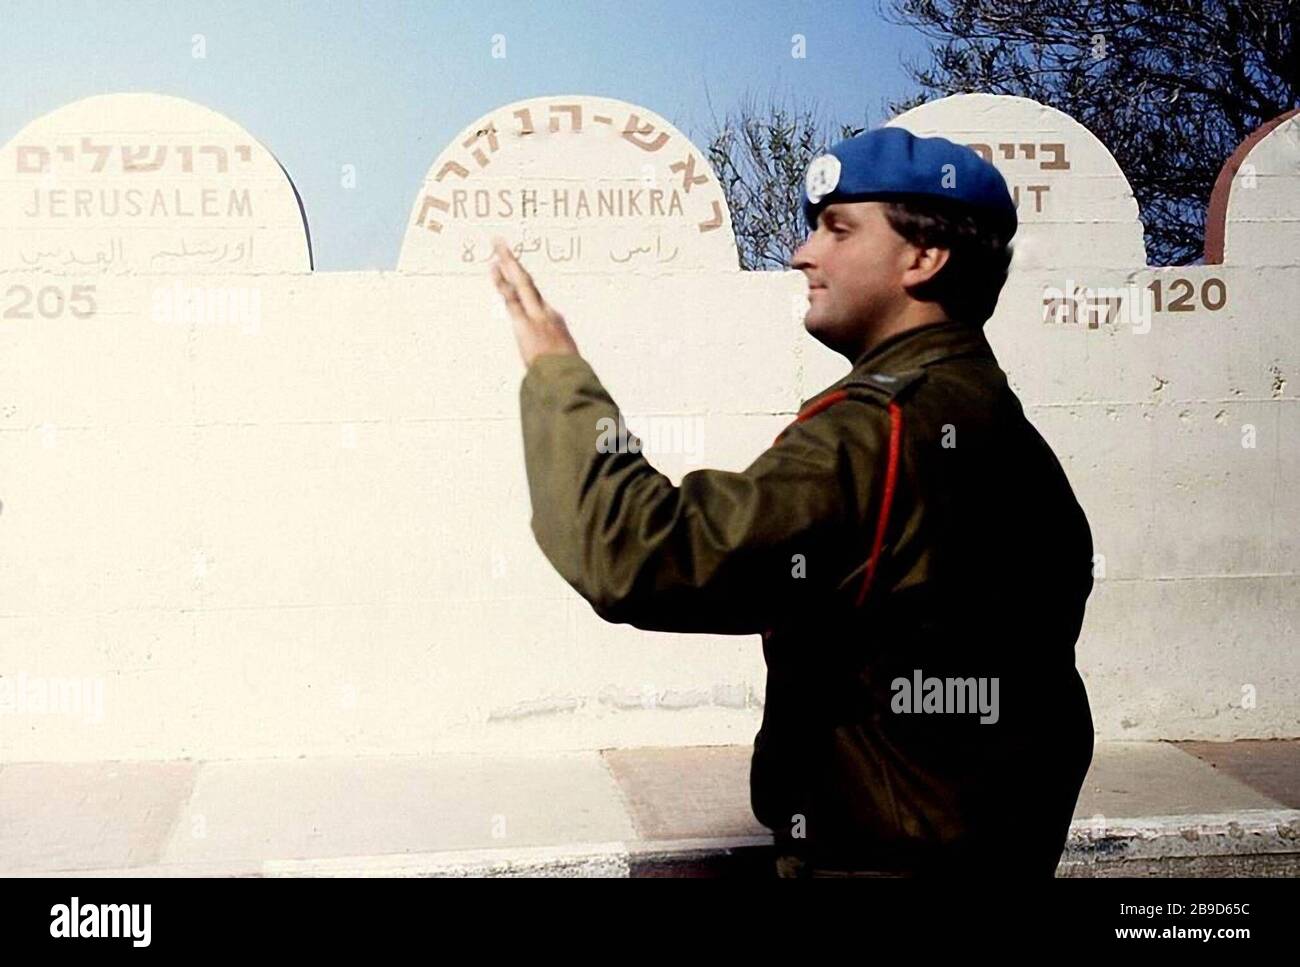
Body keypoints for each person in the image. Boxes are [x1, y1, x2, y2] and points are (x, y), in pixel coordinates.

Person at [489, 125, 1095, 879]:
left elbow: (642, 555)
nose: (804, 253)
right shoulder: (997, 424)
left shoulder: (880, 430)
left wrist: (558, 376)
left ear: (924, 257)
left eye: (838, 229)